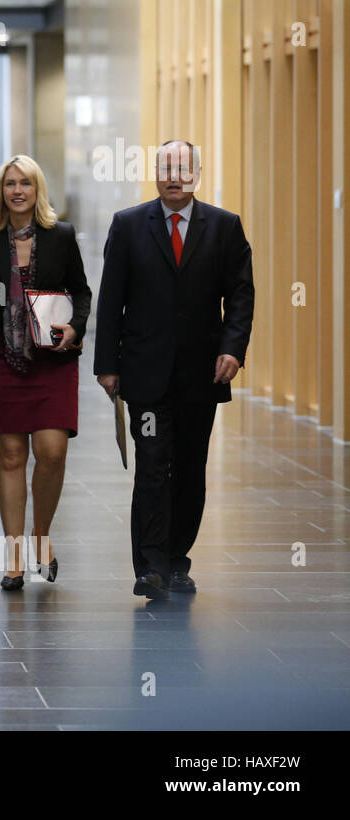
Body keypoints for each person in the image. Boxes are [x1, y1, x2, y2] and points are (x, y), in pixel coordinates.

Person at [95, 140, 254, 600]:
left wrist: (233, 349)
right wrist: (107, 365)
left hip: (202, 375)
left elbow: (241, 295)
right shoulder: (128, 225)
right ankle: (150, 567)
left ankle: (177, 558)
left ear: (197, 174)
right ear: (156, 174)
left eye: (183, 168)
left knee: (189, 467)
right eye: (166, 168)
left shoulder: (224, 227)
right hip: (144, 373)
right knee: (151, 466)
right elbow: (112, 298)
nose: (174, 176)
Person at [0, 155, 91, 590]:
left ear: (38, 191)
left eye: (27, 184)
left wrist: (75, 326)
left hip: (51, 359)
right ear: (2, 192)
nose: (18, 191)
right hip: (2, 358)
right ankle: (15, 554)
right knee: (12, 457)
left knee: (52, 452)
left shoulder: (61, 237)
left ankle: (42, 534)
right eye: (11, 184)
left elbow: (82, 292)